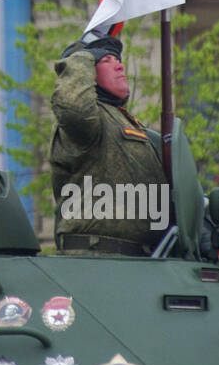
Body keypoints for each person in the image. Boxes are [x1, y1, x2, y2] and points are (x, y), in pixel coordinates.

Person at [49, 32, 167, 256]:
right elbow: (73, 107)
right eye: (106, 61)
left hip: (140, 258)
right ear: (87, 73)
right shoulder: (88, 122)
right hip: (95, 257)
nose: (120, 67)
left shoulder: (127, 122)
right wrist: (80, 57)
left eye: (119, 60)